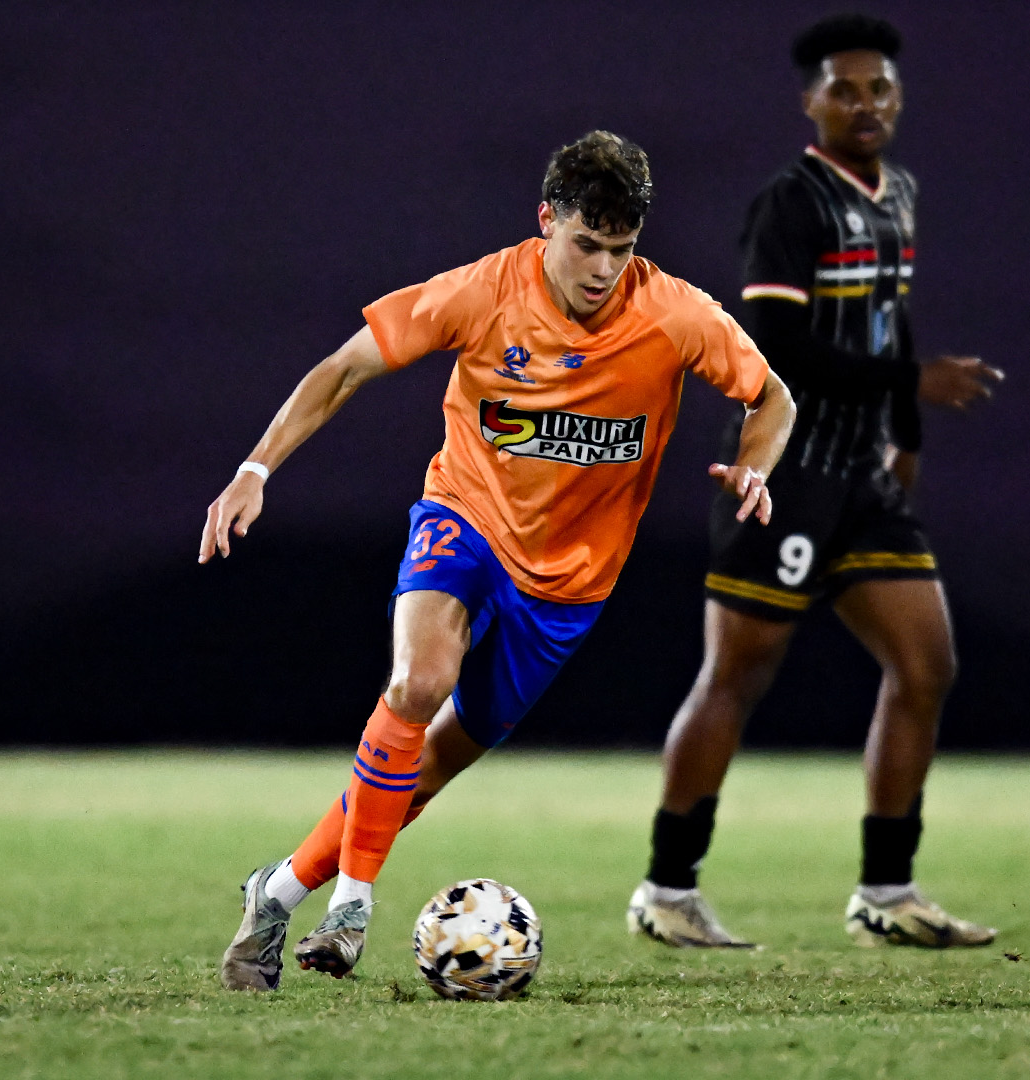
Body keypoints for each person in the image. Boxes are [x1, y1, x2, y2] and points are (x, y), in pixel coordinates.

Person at [200, 130, 794, 989]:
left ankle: (279, 890)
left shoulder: (674, 315)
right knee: (418, 682)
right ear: (546, 219)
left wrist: (755, 464)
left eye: (619, 252)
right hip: (465, 520)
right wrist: (256, 469)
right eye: (586, 245)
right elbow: (346, 367)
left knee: (425, 767)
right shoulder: (483, 291)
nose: (600, 270)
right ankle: (353, 905)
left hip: (568, 589)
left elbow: (771, 396)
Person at [626, 14, 1003, 951]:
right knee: (738, 675)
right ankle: (667, 891)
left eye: (882, 89)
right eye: (847, 88)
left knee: (927, 666)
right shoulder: (789, 204)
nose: (867, 104)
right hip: (783, 470)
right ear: (811, 101)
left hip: (862, 479)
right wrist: (908, 386)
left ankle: (888, 889)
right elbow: (778, 349)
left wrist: (904, 430)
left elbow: (890, 321)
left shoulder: (898, 194)